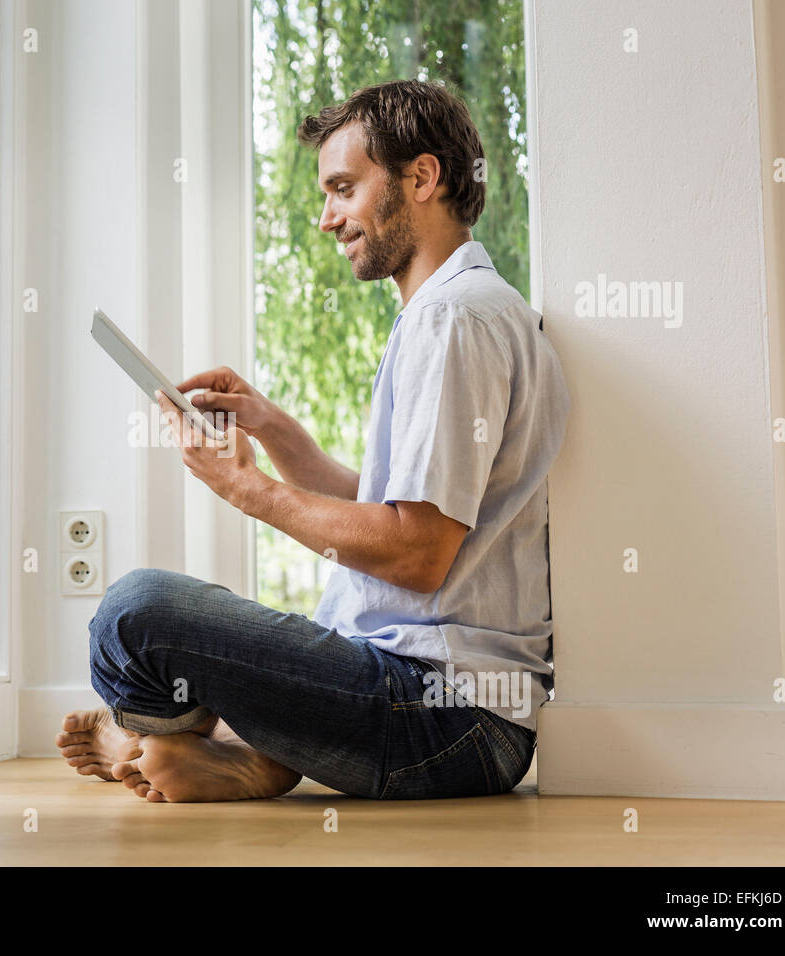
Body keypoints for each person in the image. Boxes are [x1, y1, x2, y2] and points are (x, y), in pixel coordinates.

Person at [56, 80, 570, 802]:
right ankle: (239, 750)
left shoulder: (453, 322)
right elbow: (392, 513)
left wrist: (247, 489)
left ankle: (191, 740)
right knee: (141, 612)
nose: (326, 218)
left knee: (130, 612)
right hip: (453, 715)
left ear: (422, 177)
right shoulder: (468, 311)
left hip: (443, 719)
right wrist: (272, 429)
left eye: (343, 188)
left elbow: (417, 553)